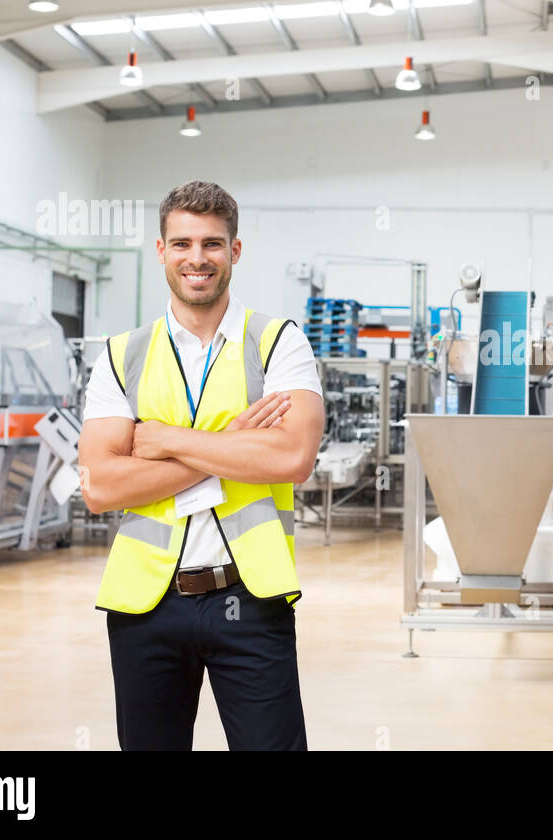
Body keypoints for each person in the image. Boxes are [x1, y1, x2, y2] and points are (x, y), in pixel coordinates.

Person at [78, 181, 324, 751]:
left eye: (212, 244)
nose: (197, 258)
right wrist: (232, 448)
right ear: (161, 251)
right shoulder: (123, 356)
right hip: (146, 605)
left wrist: (161, 439)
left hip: (250, 597)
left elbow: (291, 457)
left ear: (234, 251)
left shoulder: (276, 344)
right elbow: (99, 485)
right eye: (182, 243)